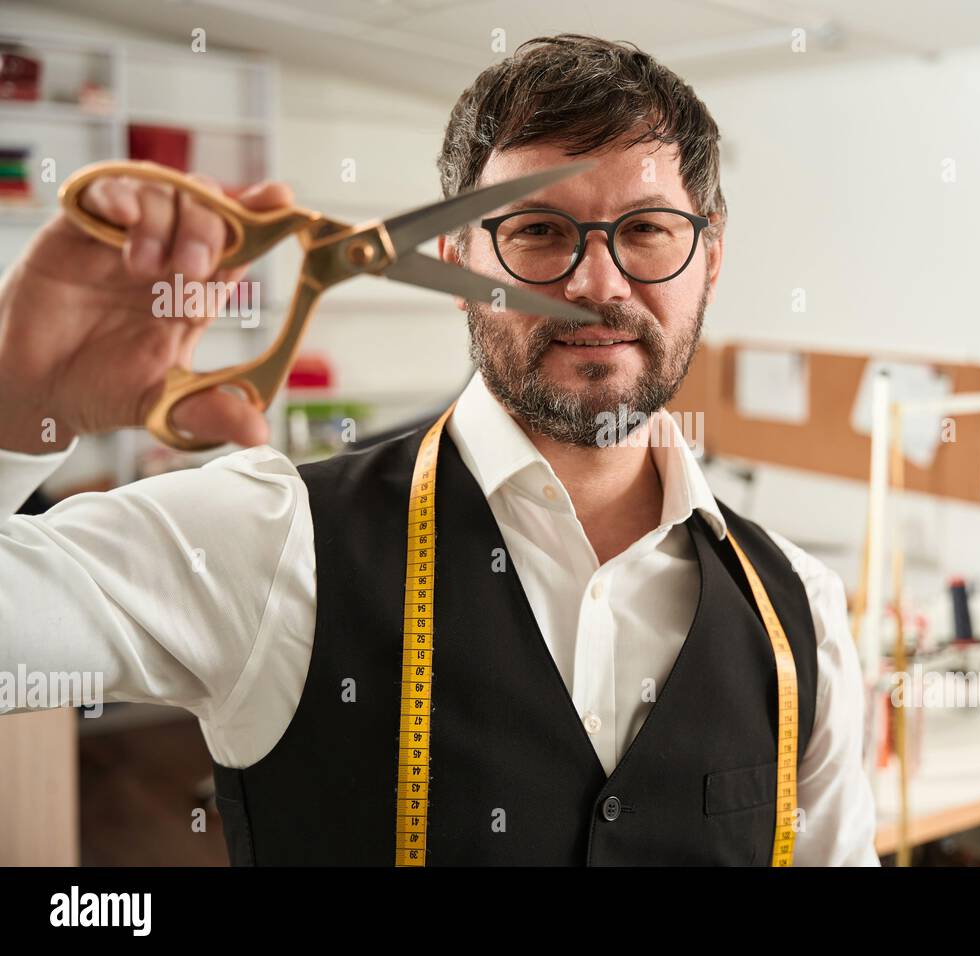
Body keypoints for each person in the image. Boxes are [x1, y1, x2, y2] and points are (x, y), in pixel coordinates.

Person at [0, 34, 877, 865]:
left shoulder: (801, 612)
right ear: (459, 258)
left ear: (710, 259)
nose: (596, 284)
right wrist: (20, 403)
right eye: (536, 230)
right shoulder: (270, 541)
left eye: (647, 230)